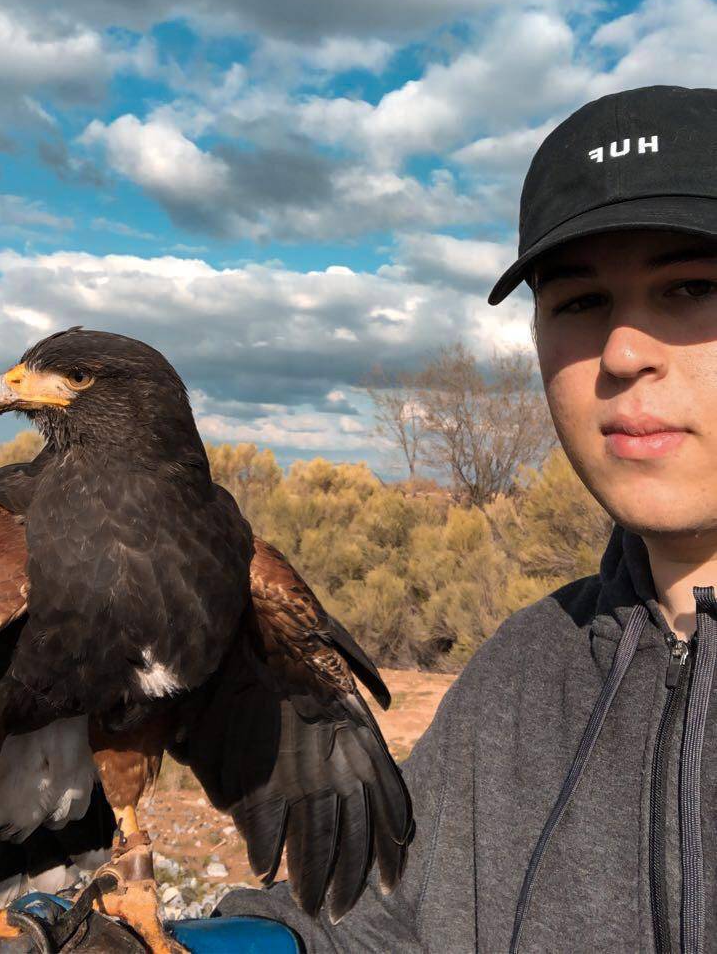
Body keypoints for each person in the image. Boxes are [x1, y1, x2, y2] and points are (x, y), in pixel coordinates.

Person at [219, 83, 717, 953]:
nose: (622, 351)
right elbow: (383, 921)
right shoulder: (523, 671)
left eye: (691, 287)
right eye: (579, 302)